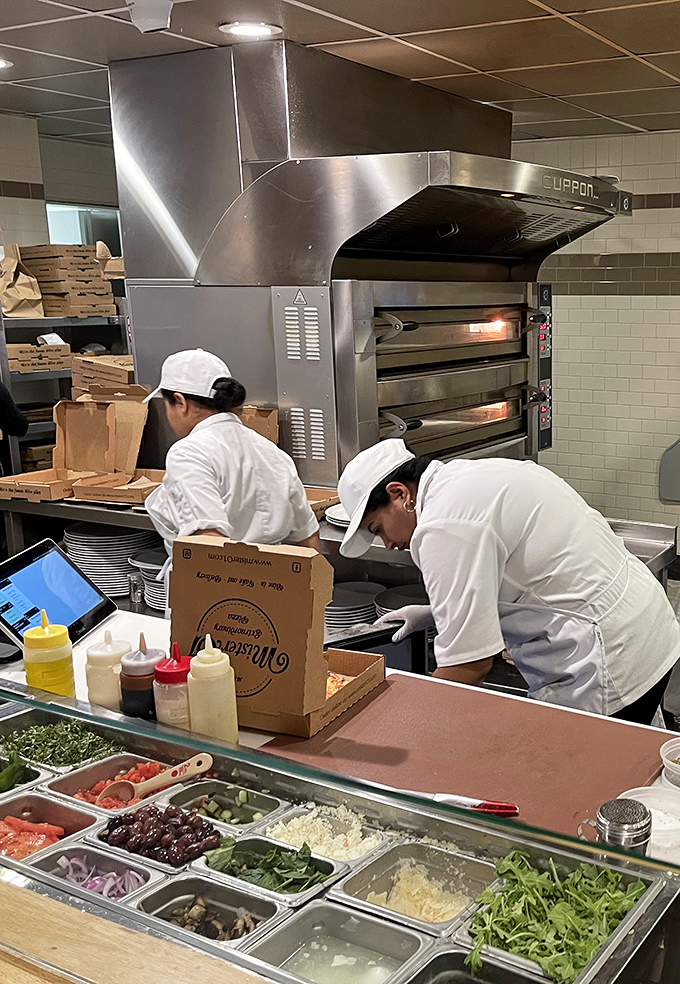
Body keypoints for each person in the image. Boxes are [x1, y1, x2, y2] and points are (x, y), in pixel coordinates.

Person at [338, 439, 680, 725]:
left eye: (377, 528)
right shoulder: (472, 477)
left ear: (400, 494)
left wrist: (404, 720)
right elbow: (518, 572)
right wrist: (433, 613)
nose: (387, 544)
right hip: (645, 628)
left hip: (607, 658)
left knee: (593, 788)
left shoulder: (443, 524)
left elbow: (469, 665)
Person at [144, 349, 320, 559]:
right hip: (274, 585)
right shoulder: (272, 451)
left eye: (166, 405)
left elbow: (209, 540)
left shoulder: (188, 453)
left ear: (180, 402)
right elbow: (308, 538)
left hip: (218, 586)